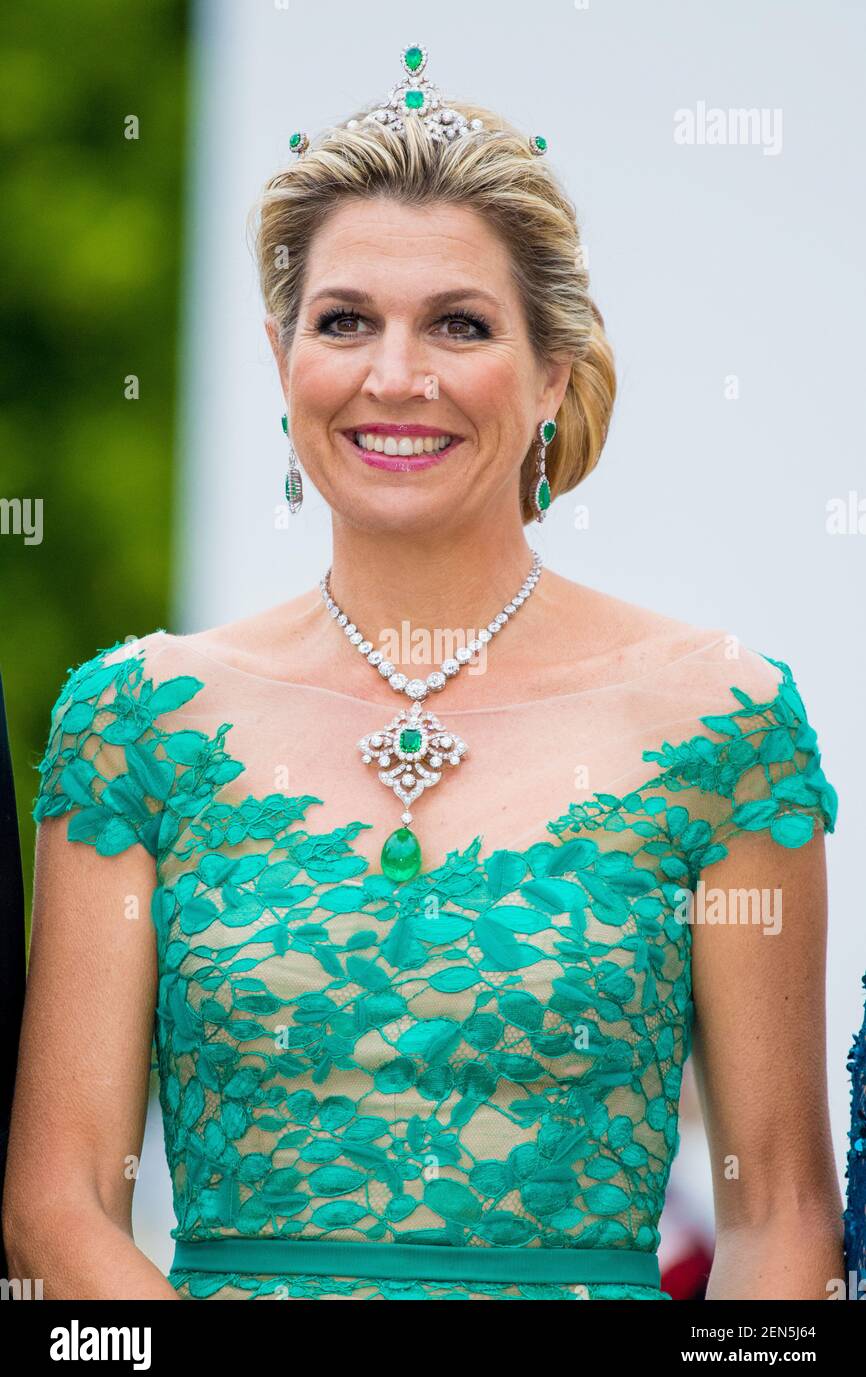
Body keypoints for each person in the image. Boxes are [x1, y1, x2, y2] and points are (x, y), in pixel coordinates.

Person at [2, 43, 843, 1301]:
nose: (395, 377)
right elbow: (53, 1213)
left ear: (552, 370)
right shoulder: (132, 723)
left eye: (457, 324)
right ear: (286, 367)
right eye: (344, 322)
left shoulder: (721, 721)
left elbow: (778, 1218)